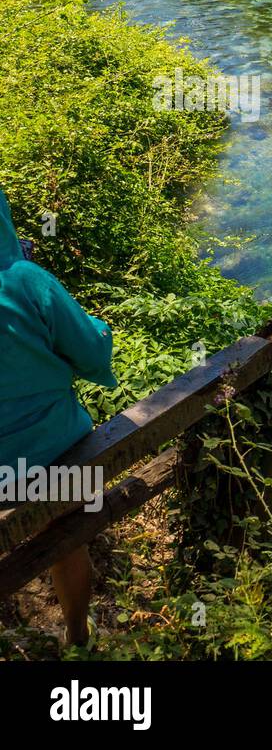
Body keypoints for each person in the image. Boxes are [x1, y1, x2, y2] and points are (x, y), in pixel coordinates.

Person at [0, 189, 117, 646]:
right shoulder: (27, 281)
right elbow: (91, 353)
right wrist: (97, 330)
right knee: (68, 538)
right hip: (54, 459)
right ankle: (76, 635)